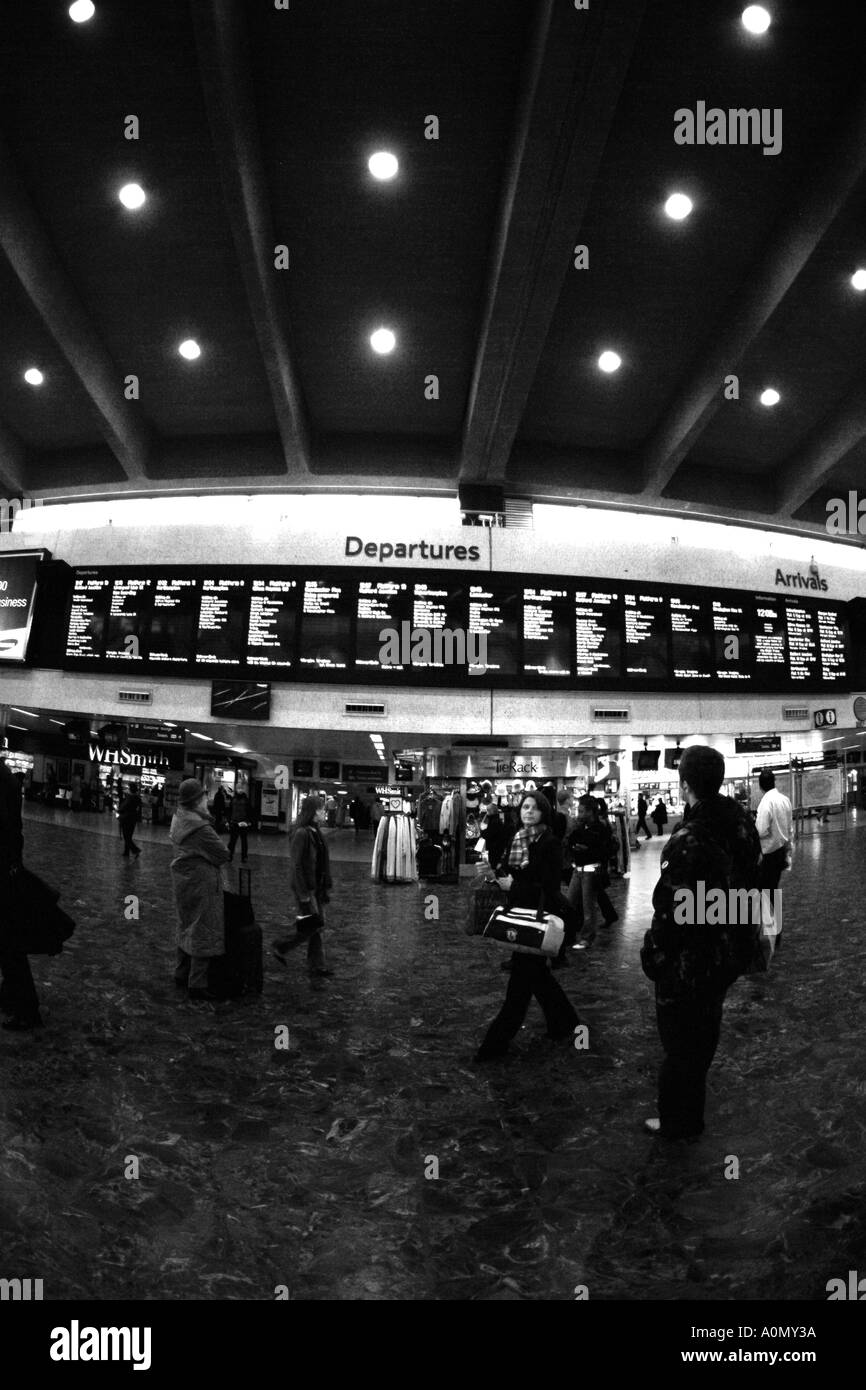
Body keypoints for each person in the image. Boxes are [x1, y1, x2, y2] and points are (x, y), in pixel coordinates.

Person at [640, 745, 761, 1140]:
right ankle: (690, 1115)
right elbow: (752, 890)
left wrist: (654, 954)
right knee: (705, 1033)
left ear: (685, 784)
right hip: (726, 952)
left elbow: (673, 910)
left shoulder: (690, 836)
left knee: (678, 1045)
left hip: (689, 961)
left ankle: (678, 1122)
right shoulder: (741, 823)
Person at [474, 791, 580, 1061]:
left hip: (538, 918)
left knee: (519, 990)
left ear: (544, 811)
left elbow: (549, 885)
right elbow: (511, 876)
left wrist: (515, 885)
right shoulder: (518, 838)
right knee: (538, 979)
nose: (528, 811)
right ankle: (566, 1022)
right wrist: (493, 874)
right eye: (525, 807)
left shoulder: (550, 843)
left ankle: (493, 1047)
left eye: (534, 807)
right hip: (522, 915)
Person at [170, 778, 231, 1001]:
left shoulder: (179, 818)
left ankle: (180, 972)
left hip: (183, 879)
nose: (207, 799)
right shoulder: (200, 827)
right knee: (203, 927)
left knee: (186, 922)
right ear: (197, 799)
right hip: (202, 882)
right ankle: (197, 982)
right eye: (204, 796)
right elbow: (223, 854)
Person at [0, 758, 43, 1030]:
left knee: (8, 944)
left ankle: (27, 1009)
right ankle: (11, 995)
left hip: (2, 870)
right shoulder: (6, 777)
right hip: (8, 867)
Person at [272, 795, 334, 979]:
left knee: (316, 926)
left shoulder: (315, 831)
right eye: (321, 809)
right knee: (311, 927)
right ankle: (281, 945)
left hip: (317, 887)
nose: (324, 812)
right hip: (307, 889)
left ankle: (317, 966)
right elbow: (296, 866)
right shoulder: (302, 833)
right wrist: (303, 894)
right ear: (314, 812)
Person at [755, 769, 792, 950]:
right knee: (773, 892)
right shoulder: (784, 800)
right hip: (781, 852)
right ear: (774, 782)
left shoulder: (766, 803)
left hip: (768, 854)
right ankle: (776, 935)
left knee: (765, 895)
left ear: (760, 785)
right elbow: (789, 827)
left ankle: (770, 936)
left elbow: (761, 830)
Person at [118, 782, 143, 857]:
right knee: (129, 836)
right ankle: (126, 852)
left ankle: (135, 850)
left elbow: (124, 807)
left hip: (126, 818)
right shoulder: (137, 798)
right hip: (133, 819)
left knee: (126, 837)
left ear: (131, 789)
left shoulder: (130, 798)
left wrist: (119, 811)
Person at [228, 788, 252, 862]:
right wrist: (229, 820)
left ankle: (240, 856)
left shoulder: (242, 799)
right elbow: (230, 810)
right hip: (235, 822)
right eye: (239, 788)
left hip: (242, 823)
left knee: (239, 841)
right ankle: (232, 855)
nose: (240, 790)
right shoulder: (236, 799)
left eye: (241, 788)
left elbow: (249, 811)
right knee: (234, 841)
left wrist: (248, 821)